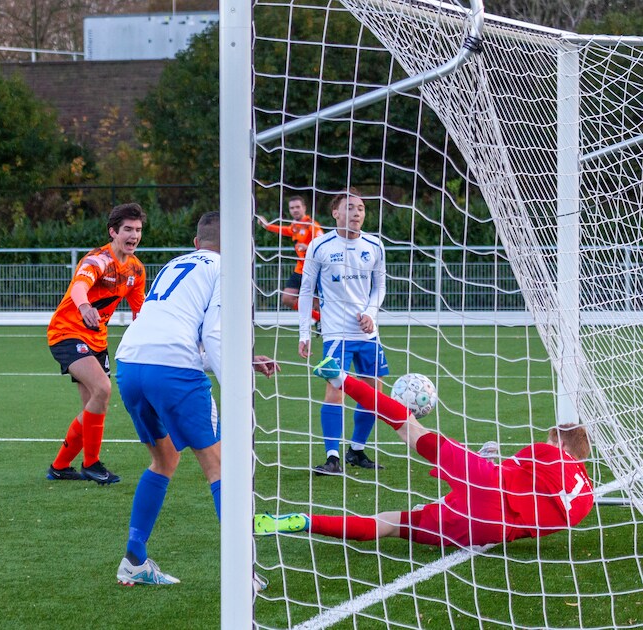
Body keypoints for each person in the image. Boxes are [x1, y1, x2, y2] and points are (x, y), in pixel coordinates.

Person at [255, 357, 595, 547]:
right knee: (392, 524)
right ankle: (306, 523)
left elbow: (499, 480)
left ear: (562, 444)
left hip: (489, 483)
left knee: (408, 427)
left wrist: (483, 459)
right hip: (492, 529)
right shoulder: (587, 501)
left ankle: (341, 377)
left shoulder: (549, 453)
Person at [113, 211, 279, 586]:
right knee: (219, 468)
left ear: (197, 243)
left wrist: (243, 360)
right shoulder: (227, 269)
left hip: (130, 363)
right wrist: (238, 390)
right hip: (171, 368)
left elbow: (183, 330)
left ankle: (135, 560)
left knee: (164, 459)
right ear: (238, 246)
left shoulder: (177, 264)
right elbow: (215, 335)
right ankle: (242, 573)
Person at [45, 202, 148, 485]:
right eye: (127, 229)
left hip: (97, 340)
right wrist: (84, 306)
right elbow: (79, 286)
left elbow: (141, 312)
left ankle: (60, 466)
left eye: (138, 230)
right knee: (103, 389)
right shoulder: (97, 260)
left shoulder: (136, 271)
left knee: (94, 404)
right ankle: (91, 464)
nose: (134, 235)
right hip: (67, 332)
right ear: (113, 232)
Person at [298, 188, 388, 475]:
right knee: (335, 392)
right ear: (335, 213)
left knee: (373, 394)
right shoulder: (319, 245)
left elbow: (380, 287)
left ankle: (357, 450)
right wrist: (304, 333)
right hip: (336, 334)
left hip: (368, 335)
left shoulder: (375, 245)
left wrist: (371, 315)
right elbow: (305, 290)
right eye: (349, 208)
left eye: (360, 208)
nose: (356, 212)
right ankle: (333, 457)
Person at [256, 195, 322, 318]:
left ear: (304, 208)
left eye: (298, 207)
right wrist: (267, 226)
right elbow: (285, 230)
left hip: (313, 270)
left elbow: (322, 247)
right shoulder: (295, 226)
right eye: (292, 208)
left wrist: (308, 247)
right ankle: (320, 319)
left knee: (317, 302)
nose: (295, 210)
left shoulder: (311, 225)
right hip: (300, 269)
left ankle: (323, 322)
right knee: (287, 299)